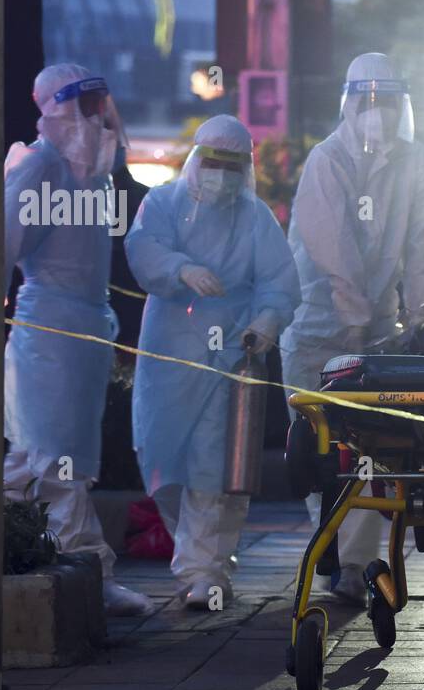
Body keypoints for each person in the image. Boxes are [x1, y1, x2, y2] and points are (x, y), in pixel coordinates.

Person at [280, 53, 424, 606]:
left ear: (402, 106)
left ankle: (356, 566)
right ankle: (330, 553)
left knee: (374, 450)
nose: (379, 113)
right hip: (316, 324)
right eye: (369, 102)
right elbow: (333, 249)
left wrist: (418, 319)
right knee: (321, 448)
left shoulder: (419, 165)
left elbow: (421, 247)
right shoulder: (327, 161)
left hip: (376, 332)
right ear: (349, 104)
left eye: (389, 102)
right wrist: (351, 320)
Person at [126, 115, 302, 610]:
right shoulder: (161, 204)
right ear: (196, 162)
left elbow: (278, 280)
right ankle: (200, 562)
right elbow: (141, 248)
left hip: (230, 352)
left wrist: (266, 322)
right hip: (169, 351)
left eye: (233, 166)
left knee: (212, 461)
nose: (222, 175)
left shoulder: (255, 218)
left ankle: (204, 571)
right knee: (160, 454)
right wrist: (180, 268)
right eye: (214, 164)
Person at [3, 63, 154, 616]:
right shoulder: (41, 166)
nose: (100, 116)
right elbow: (2, 242)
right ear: (61, 106)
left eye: (101, 103)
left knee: (38, 457)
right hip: (50, 331)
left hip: (84, 329)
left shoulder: (87, 171)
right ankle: (90, 571)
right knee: (59, 458)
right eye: (88, 105)